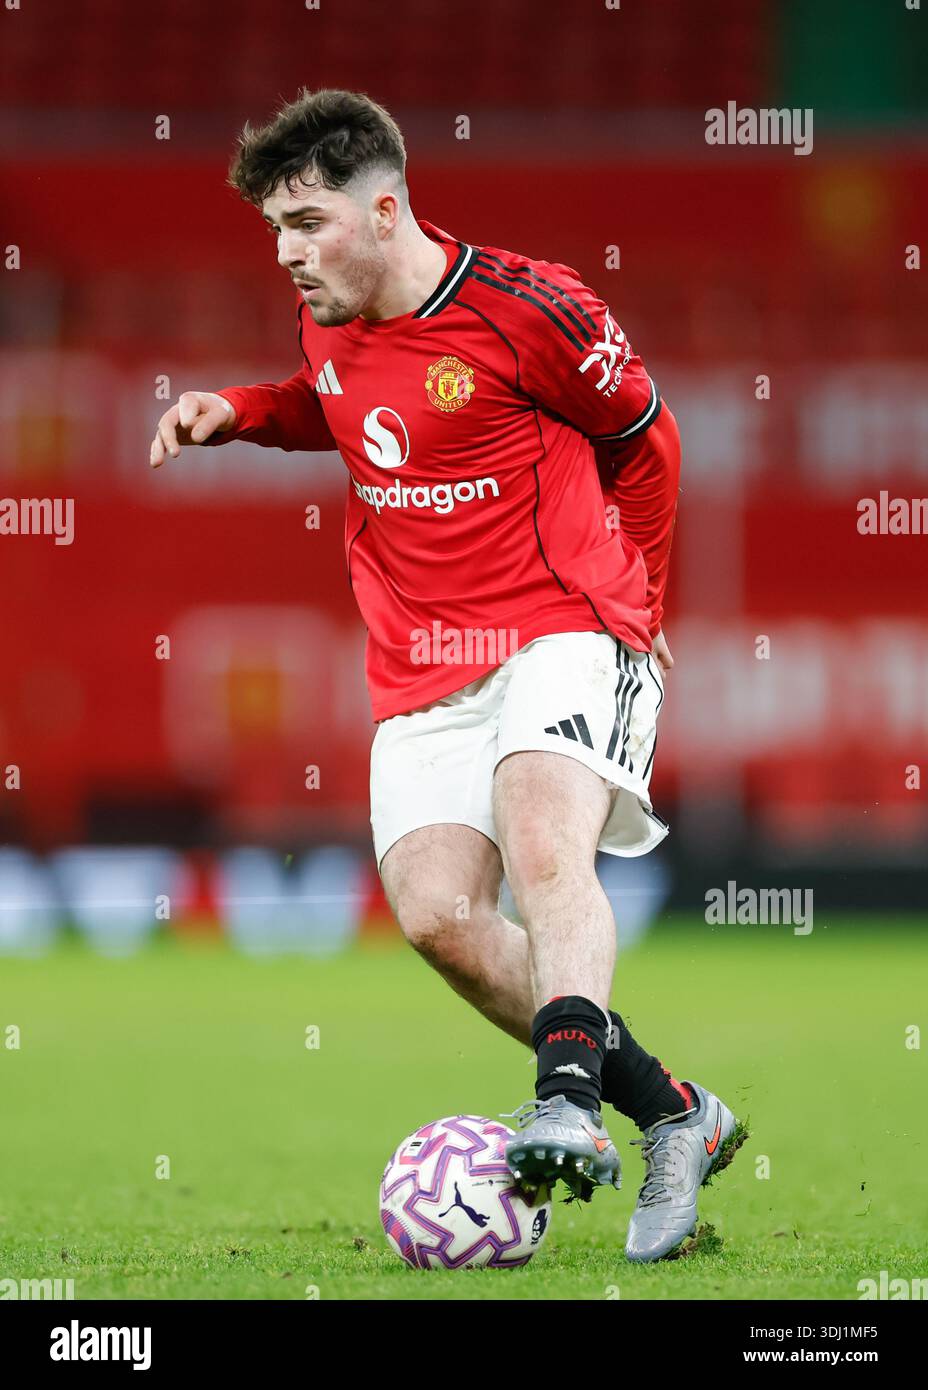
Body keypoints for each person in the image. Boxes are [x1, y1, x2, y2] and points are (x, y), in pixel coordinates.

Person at [150, 87, 746, 1261]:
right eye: (275, 227)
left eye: (307, 222)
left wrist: (641, 597)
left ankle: (564, 1104)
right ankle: (673, 1112)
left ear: (385, 210)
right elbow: (341, 406)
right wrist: (242, 411)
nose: (287, 253)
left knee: (541, 845)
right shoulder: (331, 318)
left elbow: (648, 438)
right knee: (437, 919)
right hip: (422, 659)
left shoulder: (534, 307)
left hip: (562, 622)